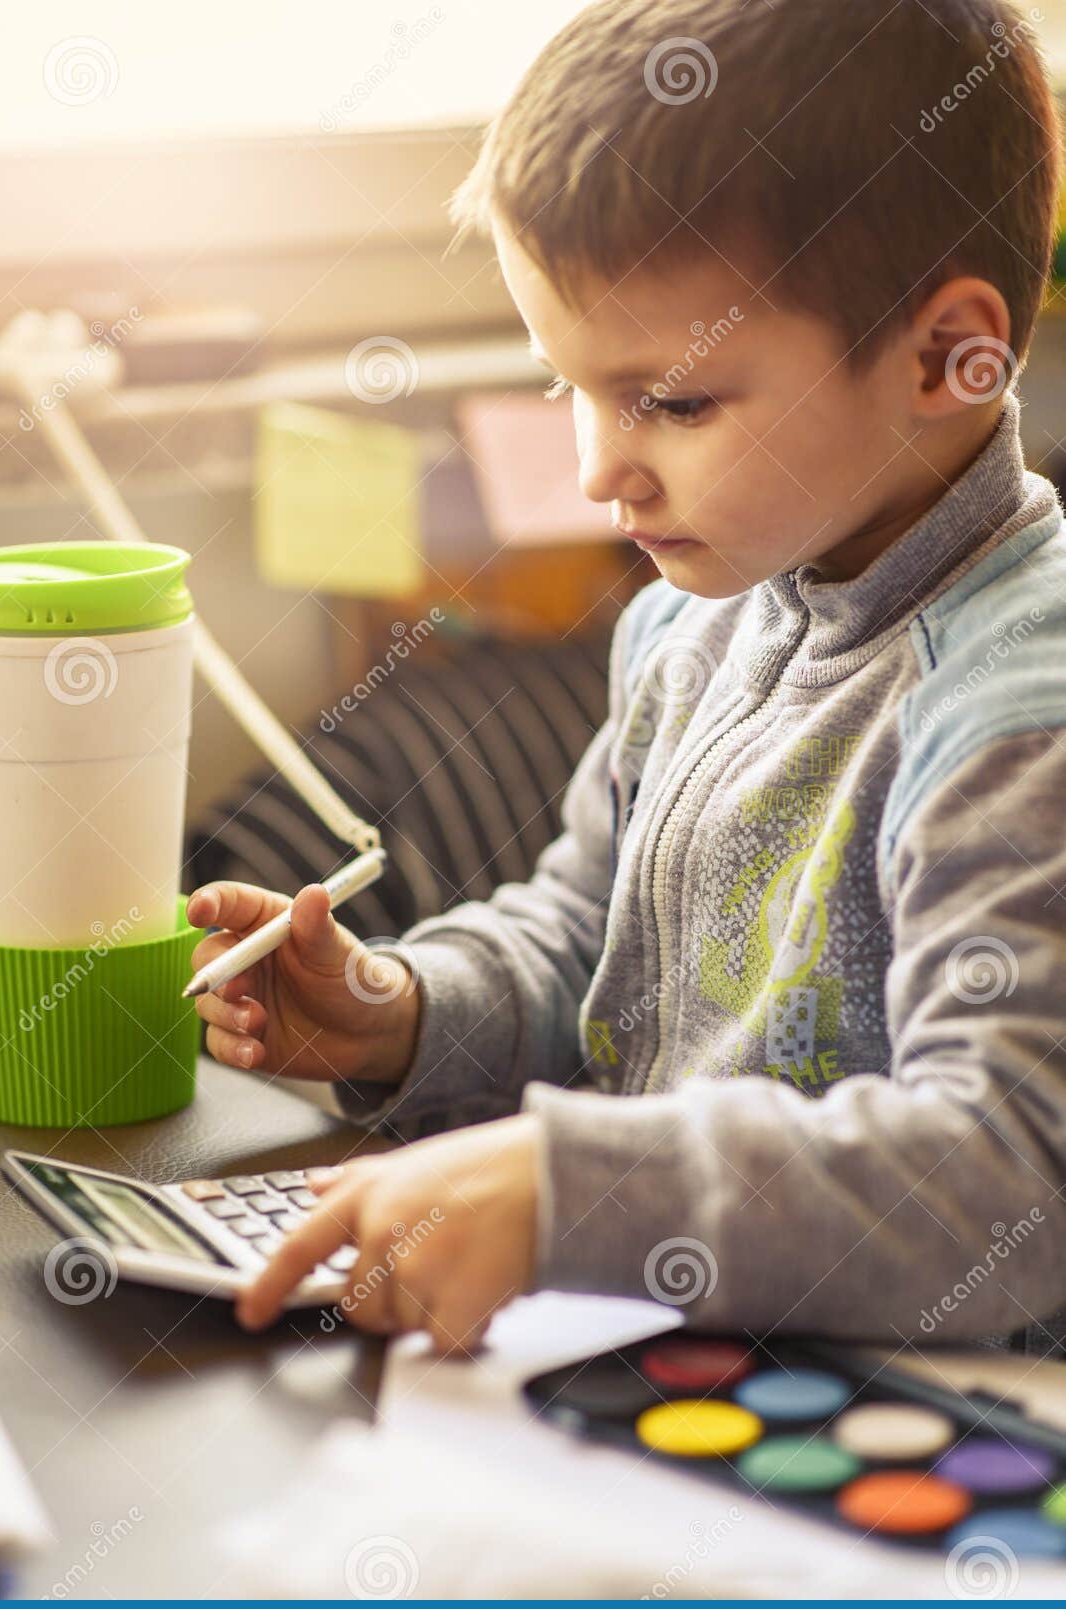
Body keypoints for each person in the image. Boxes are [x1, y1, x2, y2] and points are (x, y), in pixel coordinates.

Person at [188, 0, 1066, 1357]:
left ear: (948, 354)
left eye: (676, 401)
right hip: (673, 1351)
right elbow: (589, 947)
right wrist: (397, 1011)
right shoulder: (685, 629)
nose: (600, 471)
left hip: (920, 1426)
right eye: (571, 390)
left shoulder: (1018, 713)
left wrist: (573, 1191)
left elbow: (1007, 1178)